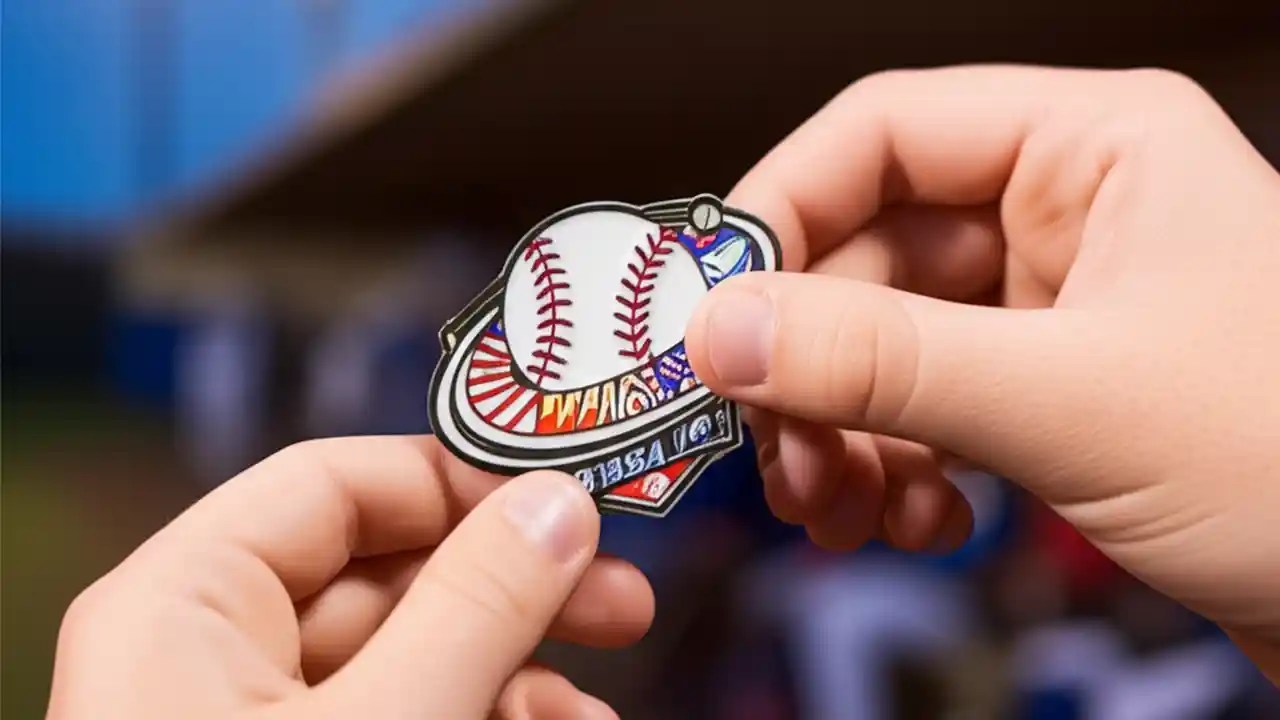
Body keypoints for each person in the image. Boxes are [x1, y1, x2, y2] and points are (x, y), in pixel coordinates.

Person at [47, 66, 1280, 718]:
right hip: (856, 573)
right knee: (793, 614)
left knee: (845, 623)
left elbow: (988, 549)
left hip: (1007, 614)